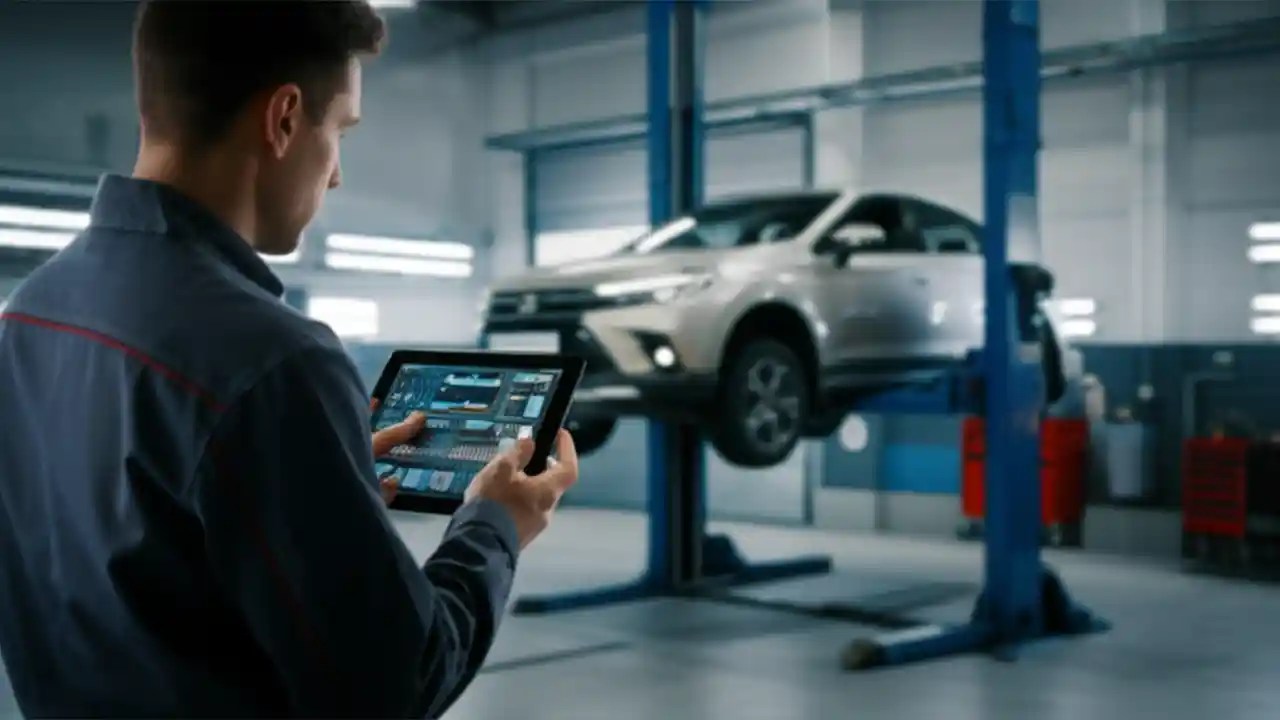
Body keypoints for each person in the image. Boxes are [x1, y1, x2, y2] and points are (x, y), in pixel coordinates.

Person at [0, 1, 579, 717]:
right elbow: (397, 683)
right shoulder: (275, 360)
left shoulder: (32, 309)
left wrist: (313, 484)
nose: (335, 174)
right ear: (282, 119)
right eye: (338, 131)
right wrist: (494, 525)